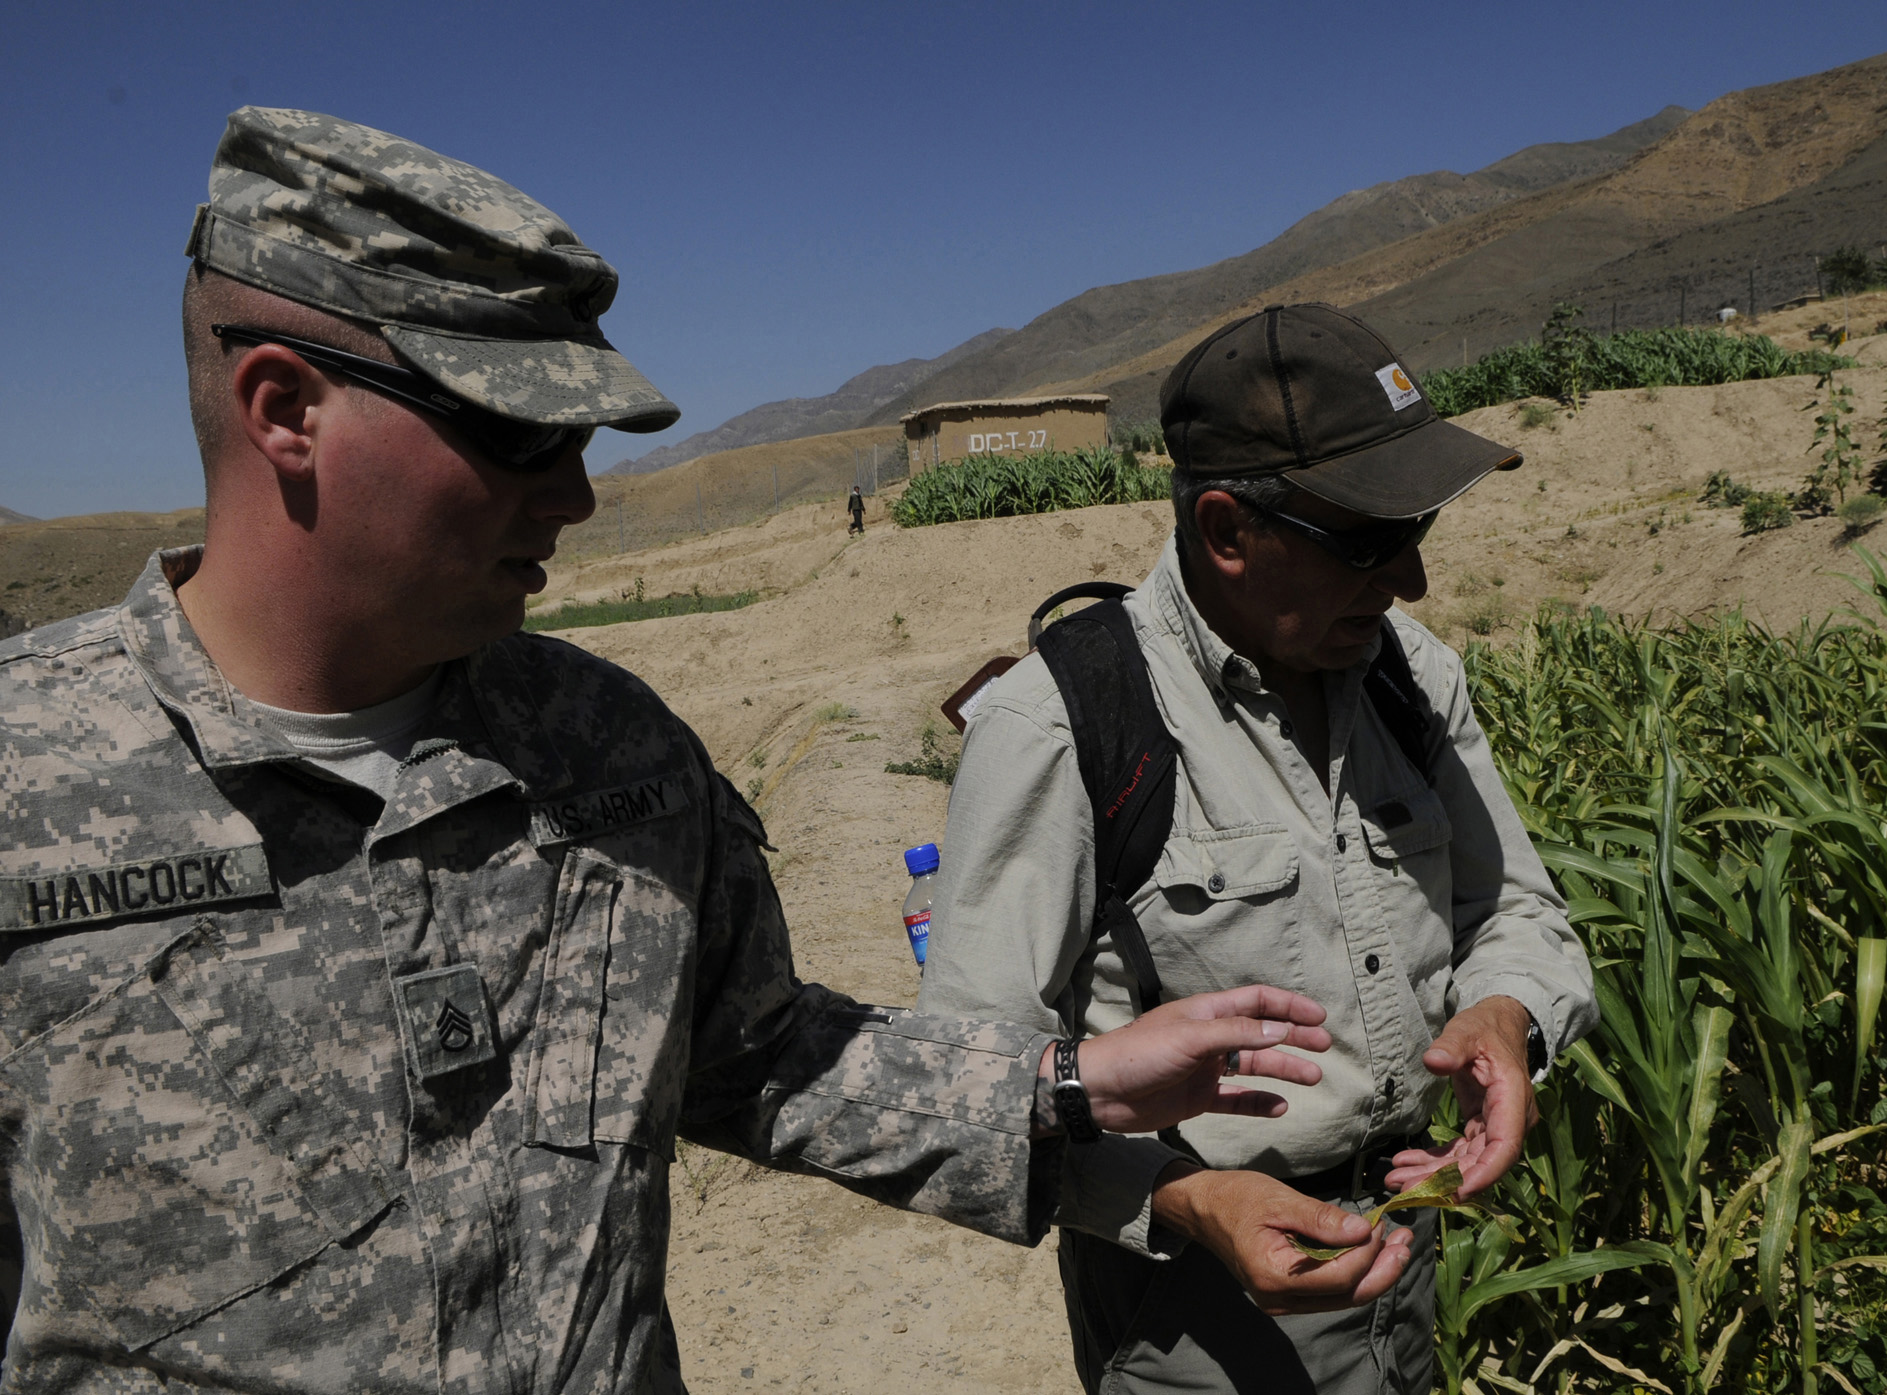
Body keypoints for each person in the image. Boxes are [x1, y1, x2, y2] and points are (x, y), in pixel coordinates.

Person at [0, 110, 1358, 1393]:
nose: (577, 494)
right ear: (285, 405)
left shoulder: (608, 749)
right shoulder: (27, 781)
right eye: (520, 433)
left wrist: (1072, 1081)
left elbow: (758, 1053)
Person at [919, 303, 1600, 1395]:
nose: (1412, 582)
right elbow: (965, 1090)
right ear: (1229, 532)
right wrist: (1189, 1199)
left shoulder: (1408, 671)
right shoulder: (1066, 722)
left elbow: (1515, 907)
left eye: (1421, 533)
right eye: (1373, 542)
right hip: (1190, 1302)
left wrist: (1506, 1016)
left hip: (1405, 1256)